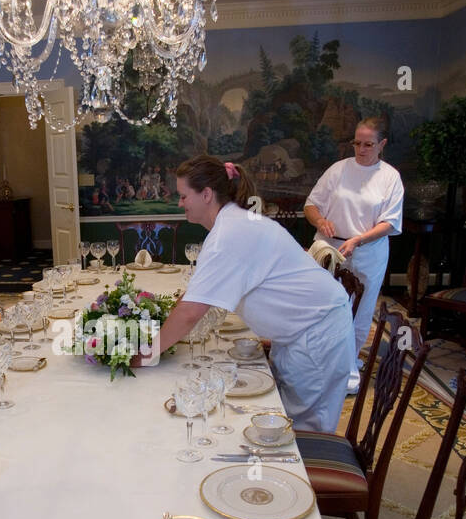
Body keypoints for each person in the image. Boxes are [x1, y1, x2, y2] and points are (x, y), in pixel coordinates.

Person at [140, 155, 354, 431]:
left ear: (206, 194)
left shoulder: (229, 233)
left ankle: (314, 472)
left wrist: (147, 354)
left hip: (317, 335)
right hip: (302, 331)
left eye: (183, 196)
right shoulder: (232, 225)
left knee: (304, 432)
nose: (179, 203)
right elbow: (194, 296)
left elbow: (191, 312)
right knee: (285, 423)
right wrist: (159, 337)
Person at [304, 117, 404, 392]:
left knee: (359, 312)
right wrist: (319, 222)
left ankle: (347, 370)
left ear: (382, 144)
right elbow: (311, 205)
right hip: (329, 248)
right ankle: (321, 364)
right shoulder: (338, 170)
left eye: (368, 144)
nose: (361, 149)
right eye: (357, 143)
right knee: (325, 309)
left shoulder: (390, 177)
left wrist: (359, 239)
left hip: (368, 250)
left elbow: (390, 222)